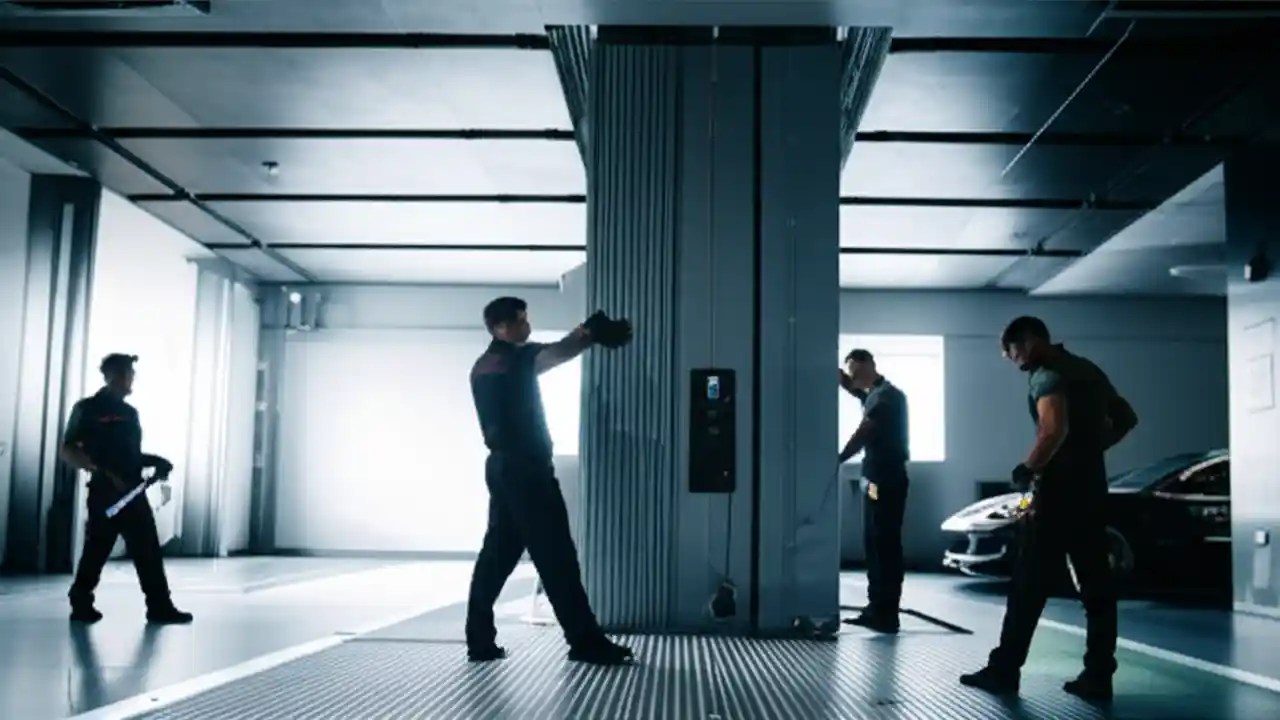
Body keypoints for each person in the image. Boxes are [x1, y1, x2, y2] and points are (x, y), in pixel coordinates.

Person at [960, 316, 1138, 702]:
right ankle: (1098, 676)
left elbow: (1052, 429)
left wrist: (1028, 468)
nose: (1010, 359)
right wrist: (1091, 448)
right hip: (1092, 489)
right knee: (1097, 586)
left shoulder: (1047, 375)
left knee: (1028, 585)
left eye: (1010, 351)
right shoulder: (1087, 369)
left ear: (1027, 341)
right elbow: (1127, 418)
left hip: (1057, 493)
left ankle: (1004, 670)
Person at [465, 297, 635, 666]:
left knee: (497, 555)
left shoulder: (484, 365)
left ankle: (479, 640)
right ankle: (585, 642)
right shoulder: (514, 361)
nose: (527, 326)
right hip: (527, 472)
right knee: (556, 555)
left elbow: (550, 353)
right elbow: (557, 353)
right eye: (520, 321)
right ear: (500, 328)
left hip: (502, 468)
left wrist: (585, 334)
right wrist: (589, 332)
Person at [60, 354, 192, 624]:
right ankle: (81, 601)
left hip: (132, 493)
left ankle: (159, 606)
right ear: (109, 376)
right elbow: (69, 449)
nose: (130, 378)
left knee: (148, 550)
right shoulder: (87, 409)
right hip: (105, 495)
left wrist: (155, 462)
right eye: (125, 373)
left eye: (131, 373)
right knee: (97, 549)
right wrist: (102, 473)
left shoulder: (130, 414)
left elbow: (130, 456)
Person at [838, 348, 910, 634]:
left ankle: (886, 613)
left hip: (885, 479)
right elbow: (858, 393)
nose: (854, 377)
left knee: (884, 542)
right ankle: (876, 608)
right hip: (875, 480)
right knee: (874, 541)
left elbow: (865, 431)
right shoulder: (875, 394)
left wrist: (839, 457)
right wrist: (844, 382)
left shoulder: (887, 396)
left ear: (870, 365)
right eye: (851, 374)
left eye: (857, 371)